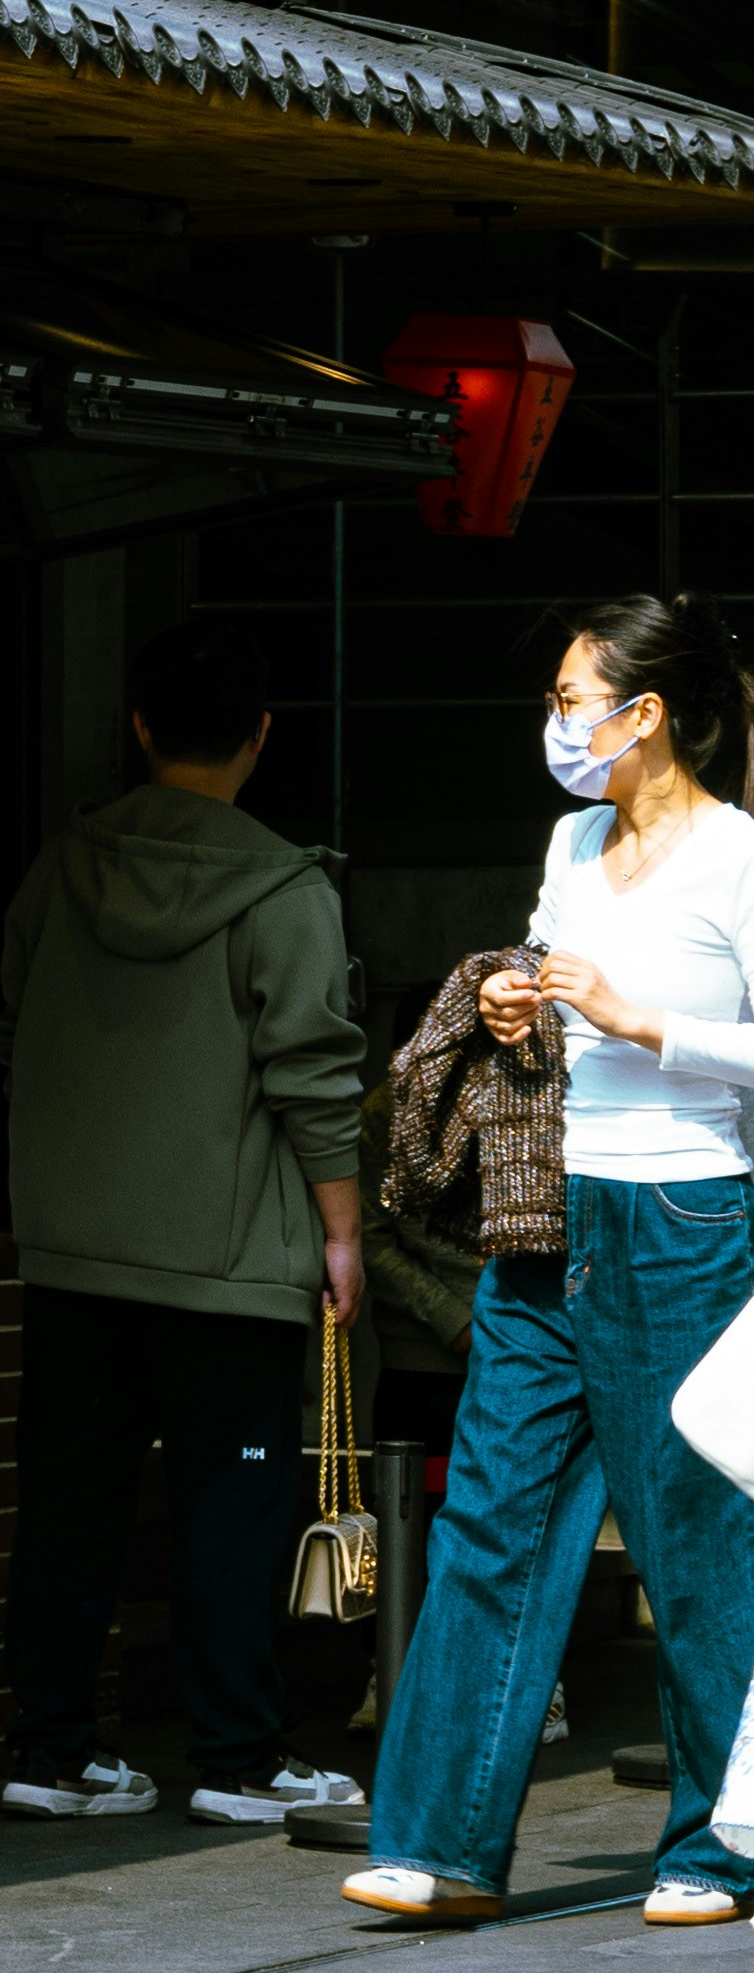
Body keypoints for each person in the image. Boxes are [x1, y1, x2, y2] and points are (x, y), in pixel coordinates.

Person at [352, 597, 754, 1930]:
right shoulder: (570, 835)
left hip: (685, 1223)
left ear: (642, 714)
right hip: (546, 1211)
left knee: (690, 1541)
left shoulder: (736, 857)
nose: (555, 721)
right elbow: (542, 971)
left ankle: (717, 1845)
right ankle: (436, 1843)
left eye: (573, 698)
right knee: (490, 1516)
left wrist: (646, 1021)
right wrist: (512, 996)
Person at [0, 616, 370, 1828]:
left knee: (67, 1503)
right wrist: (341, 1233)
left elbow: (11, 997)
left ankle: (49, 1754)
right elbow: (313, 1072)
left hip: (69, 1250)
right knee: (230, 1505)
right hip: (222, 1267)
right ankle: (237, 1760)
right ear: (258, 738)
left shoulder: (60, 865)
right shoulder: (286, 888)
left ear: (142, 728)